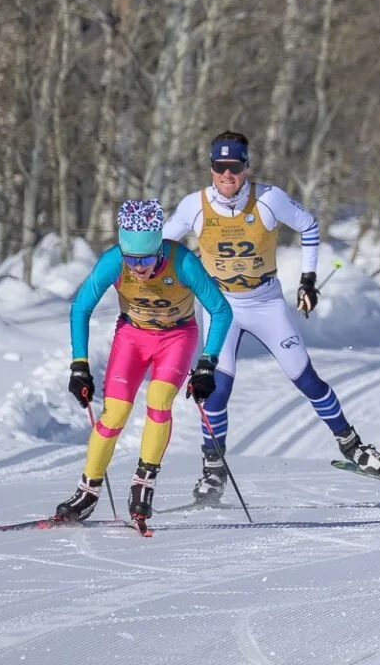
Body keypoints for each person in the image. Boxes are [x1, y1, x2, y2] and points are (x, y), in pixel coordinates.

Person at [163, 131, 380, 504]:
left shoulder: (269, 199)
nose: (227, 175)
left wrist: (308, 280)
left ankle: (352, 445)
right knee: (215, 392)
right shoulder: (194, 206)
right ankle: (213, 472)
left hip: (266, 303)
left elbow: (309, 226)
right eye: (219, 167)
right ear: (211, 168)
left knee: (307, 380)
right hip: (221, 309)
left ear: (246, 167)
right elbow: (164, 247)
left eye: (234, 167)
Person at [57, 200, 233, 525]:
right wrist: (79, 363)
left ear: (160, 250)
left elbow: (221, 311)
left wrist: (207, 363)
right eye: (132, 259)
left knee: (158, 400)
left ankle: (143, 483)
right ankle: (88, 490)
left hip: (176, 338)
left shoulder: (183, 262)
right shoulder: (113, 262)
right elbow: (80, 307)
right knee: (115, 413)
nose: (138, 268)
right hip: (133, 337)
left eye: (147, 259)